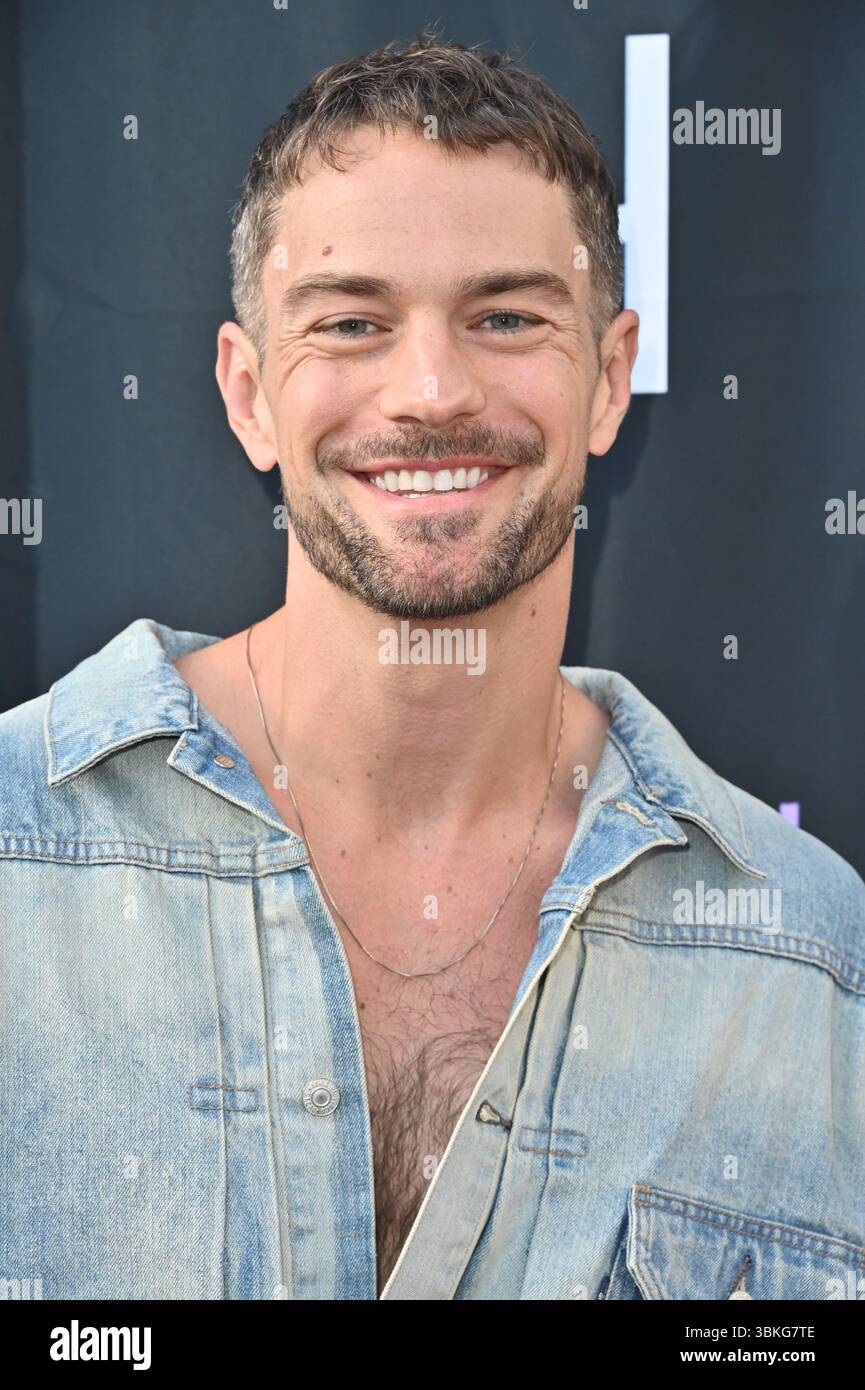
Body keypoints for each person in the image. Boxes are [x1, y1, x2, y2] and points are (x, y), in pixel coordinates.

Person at [1, 32, 862, 1303]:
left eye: (505, 316)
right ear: (247, 394)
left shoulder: (806, 960)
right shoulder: (18, 858)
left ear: (611, 378)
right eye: (350, 321)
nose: (429, 389)